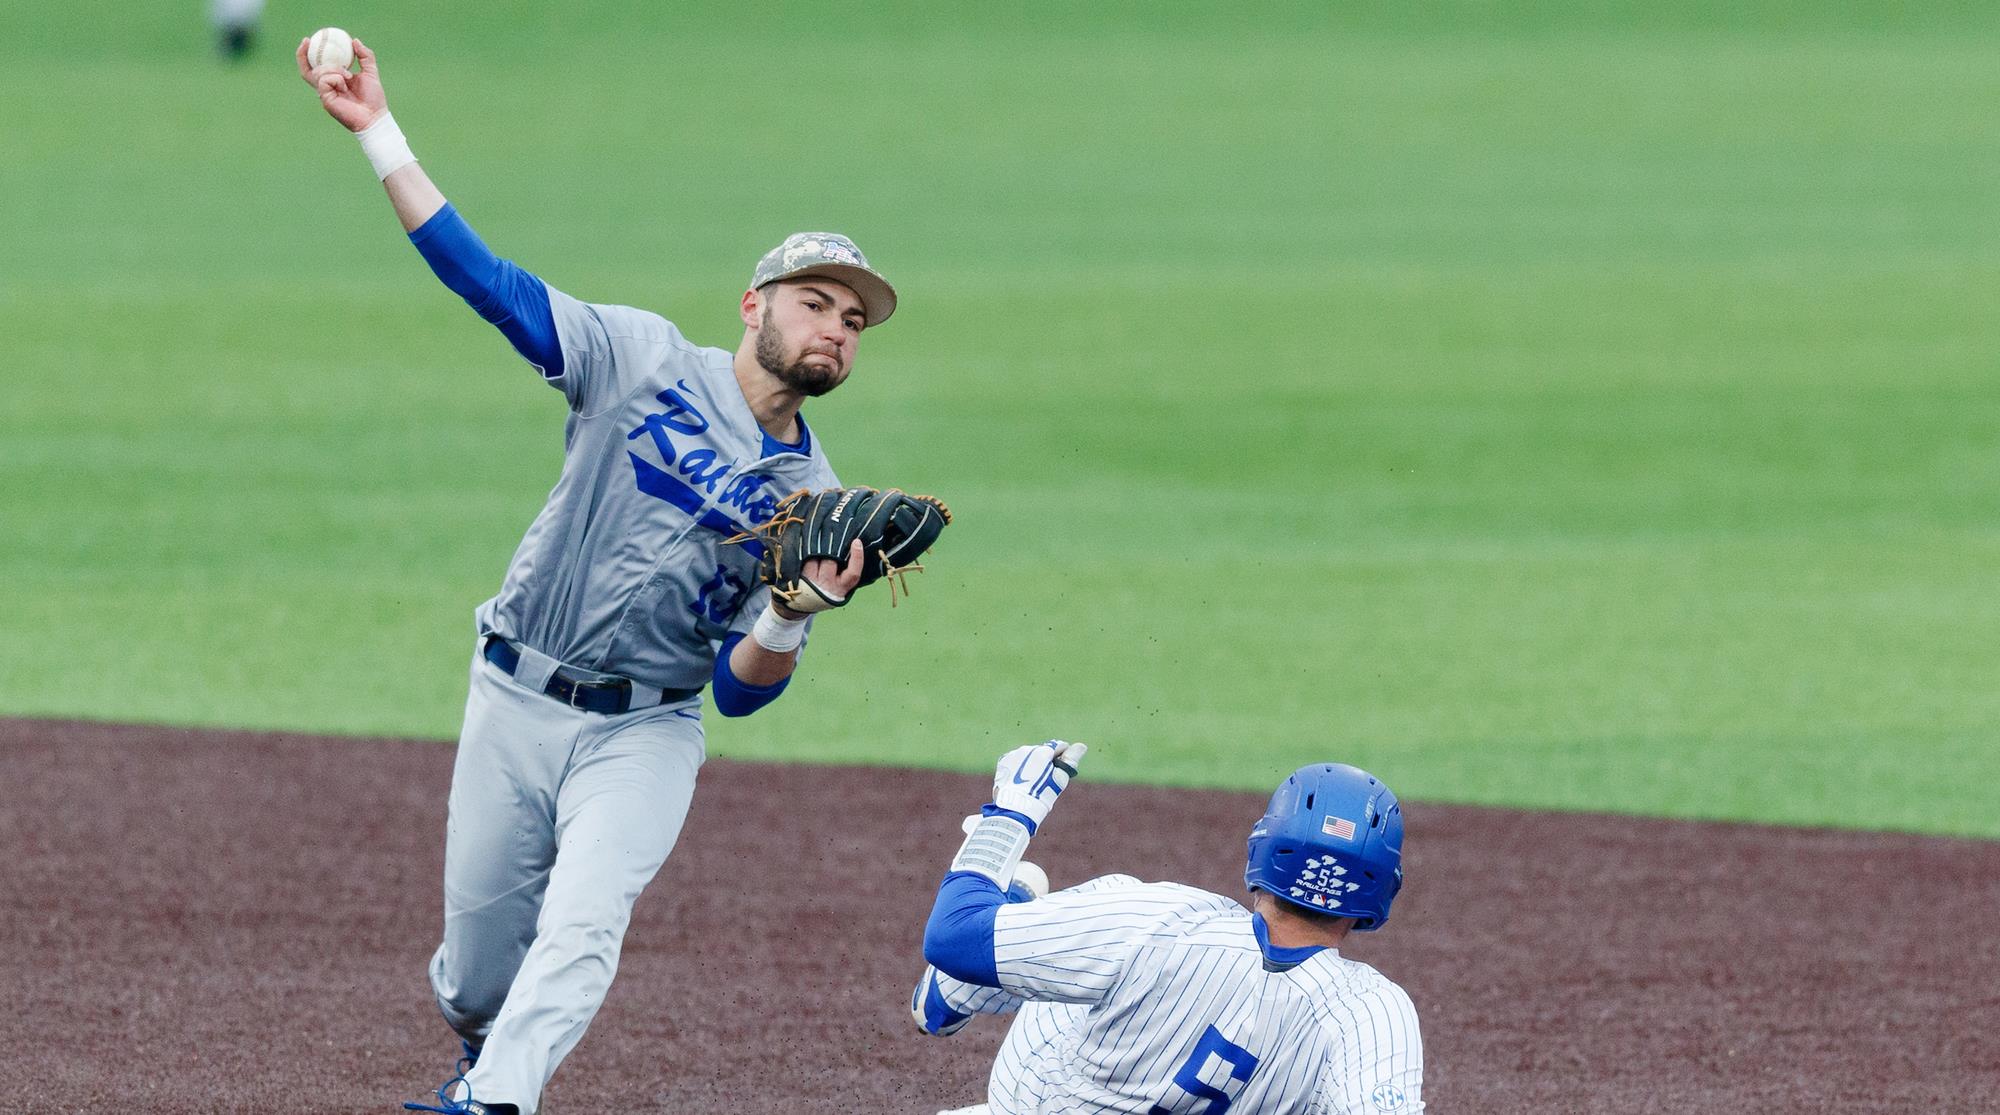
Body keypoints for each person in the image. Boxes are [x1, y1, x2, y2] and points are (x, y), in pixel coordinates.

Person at [298, 37, 899, 1115]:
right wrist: (378, 133)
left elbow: (737, 689)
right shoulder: (636, 356)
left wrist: (799, 613)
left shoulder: (817, 504)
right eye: (817, 302)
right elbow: (488, 284)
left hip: (645, 731)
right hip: (514, 692)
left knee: (582, 924)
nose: (837, 330)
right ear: (754, 306)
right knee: (480, 972)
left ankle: (495, 1099)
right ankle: (486, 1048)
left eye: (853, 320)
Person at [912, 743, 1424, 1114]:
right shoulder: (1373, 1009)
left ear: (1266, 849)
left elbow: (953, 935)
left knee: (1105, 904)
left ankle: (964, 983)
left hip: (1029, 1103)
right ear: (1378, 891)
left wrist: (1010, 816)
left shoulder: (1167, 919)